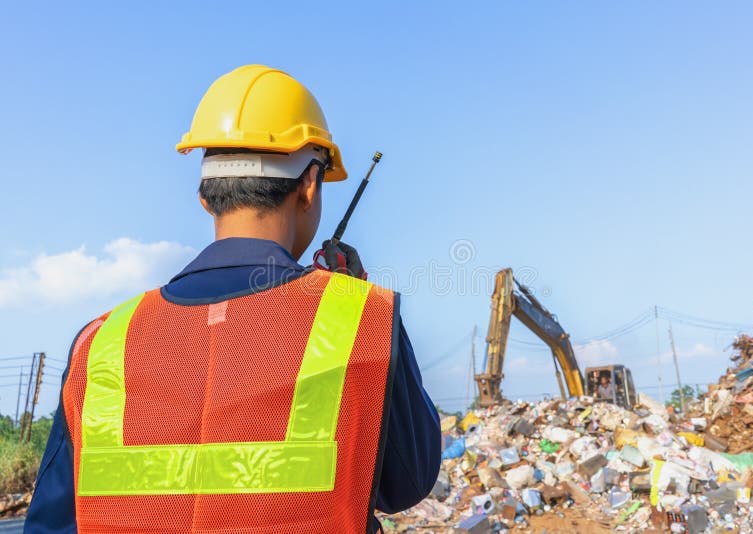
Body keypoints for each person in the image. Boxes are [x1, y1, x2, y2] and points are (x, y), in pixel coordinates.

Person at [25, 65, 441, 534]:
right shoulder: (363, 318)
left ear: (205, 196)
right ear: (308, 186)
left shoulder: (101, 341)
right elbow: (406, 482)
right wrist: (349, 297)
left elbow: (51, 522)